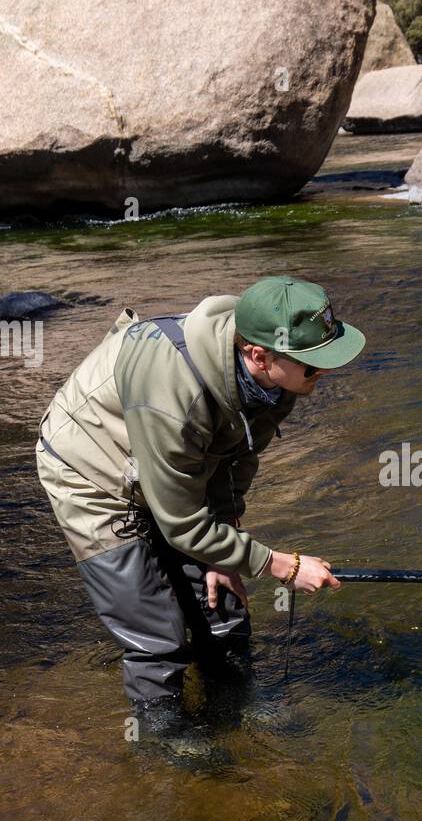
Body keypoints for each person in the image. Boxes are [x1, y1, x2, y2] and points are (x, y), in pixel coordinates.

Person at [36, 275, 364, 732]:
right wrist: (283, 566)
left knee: (225, 608)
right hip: (93, 474)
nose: (322, 374)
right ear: (259, 356)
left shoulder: (280, 383)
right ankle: (164, 740)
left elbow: (236, 461)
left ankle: (236, 709)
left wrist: (224, 549)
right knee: (157, 636)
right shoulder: (174, 391)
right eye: (312, 365)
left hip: (174, 468)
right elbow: (183, 525)